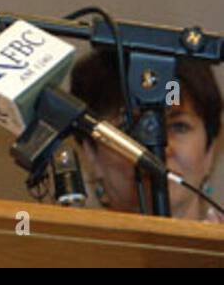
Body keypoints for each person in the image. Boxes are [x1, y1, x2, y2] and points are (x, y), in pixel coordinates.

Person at [69, 47, 223, 223]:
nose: (160, 150)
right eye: (131, 127)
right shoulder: (59, 248)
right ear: (91, 153)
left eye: (179, 127)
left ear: (210, 150)